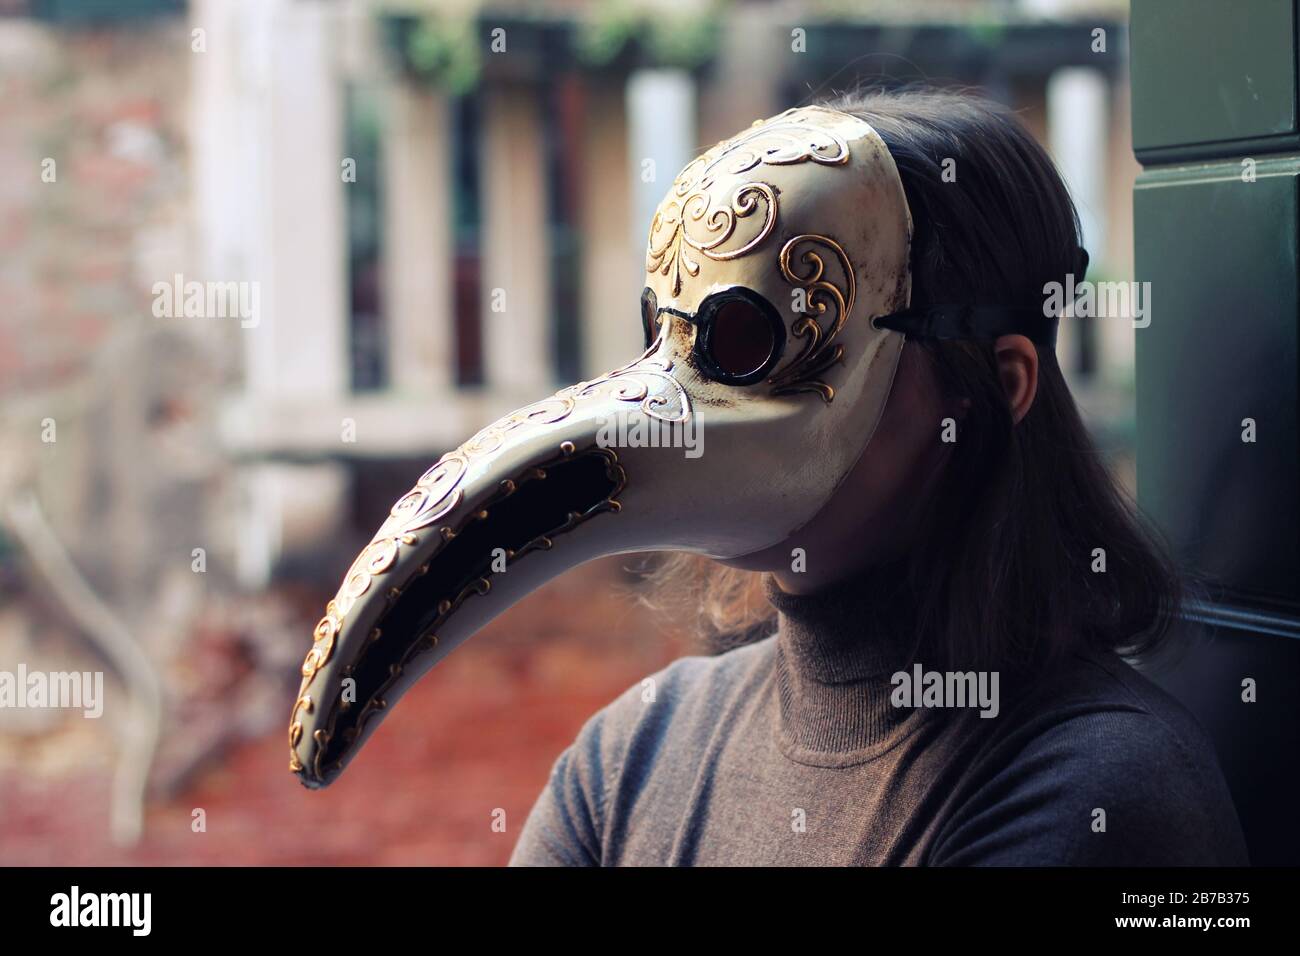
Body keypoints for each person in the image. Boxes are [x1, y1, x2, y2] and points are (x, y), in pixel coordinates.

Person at [508, 89, 1248, 866]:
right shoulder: (628, 759)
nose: (694, 389)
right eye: (673, 329)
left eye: (775, 335)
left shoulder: (1098, 788)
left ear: (996, 385)